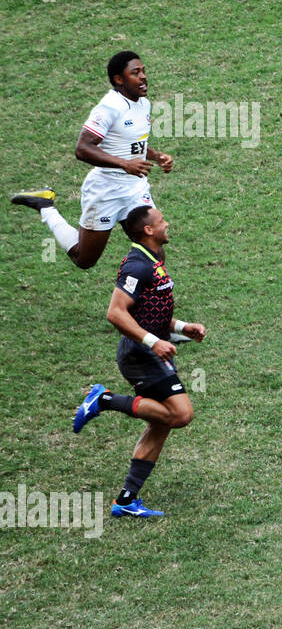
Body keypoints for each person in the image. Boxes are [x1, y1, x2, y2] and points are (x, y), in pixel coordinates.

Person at [72, 206, 206, 518]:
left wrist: (181, 327)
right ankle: (103, 400)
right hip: (139, 355)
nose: (167, 223)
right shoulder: (136, 266)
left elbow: (150, 310)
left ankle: (126, 500)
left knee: (162, 422)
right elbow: (116, 313)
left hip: (149, 351)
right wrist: (153, 341)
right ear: (148, 230)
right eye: (161, 221)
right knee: (182, 414)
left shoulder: (155, 258)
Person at [11, 51, 173, 270]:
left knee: (154, 250)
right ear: (119, 79)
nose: (143, 77)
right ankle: (45, 206)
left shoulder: (143, 104)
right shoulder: (109, 107)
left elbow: (131, 143)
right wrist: (125, 164)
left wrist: (156, 156)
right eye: (135, 73)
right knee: (84, 259)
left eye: (143, 71)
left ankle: (142, 300)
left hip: (134, 188)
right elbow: (83, 149)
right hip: (105, 191)